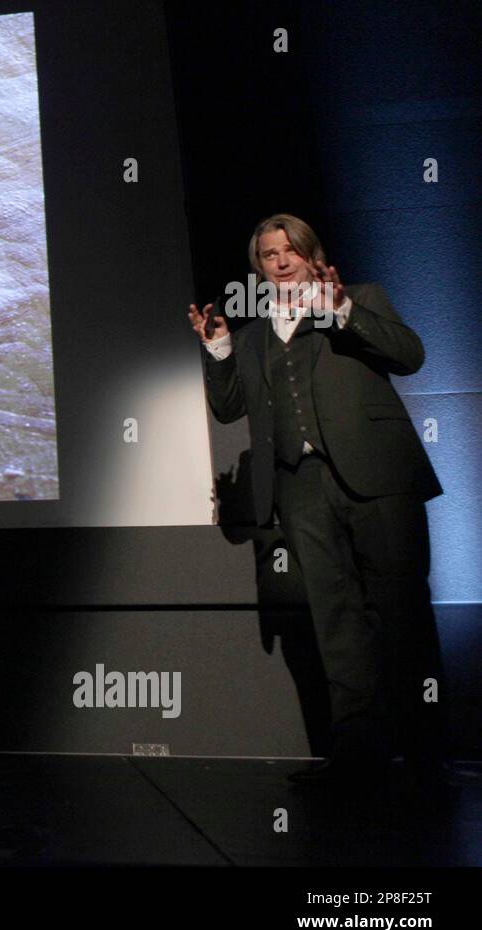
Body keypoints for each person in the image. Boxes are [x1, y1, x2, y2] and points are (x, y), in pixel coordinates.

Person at [187, 213, 447, 790]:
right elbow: (230, 407)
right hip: (300, 487)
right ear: (258, 269)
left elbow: (411, 355)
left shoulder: (358, 298)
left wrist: (344, 313)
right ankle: (359, 755)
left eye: (289, 251)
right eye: (267, 255)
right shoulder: (254, 334)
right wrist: (219, 348)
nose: (279, 261)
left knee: (402, 615)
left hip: (378, 478)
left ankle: (427, 759)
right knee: (337, 623)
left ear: (310, 254)